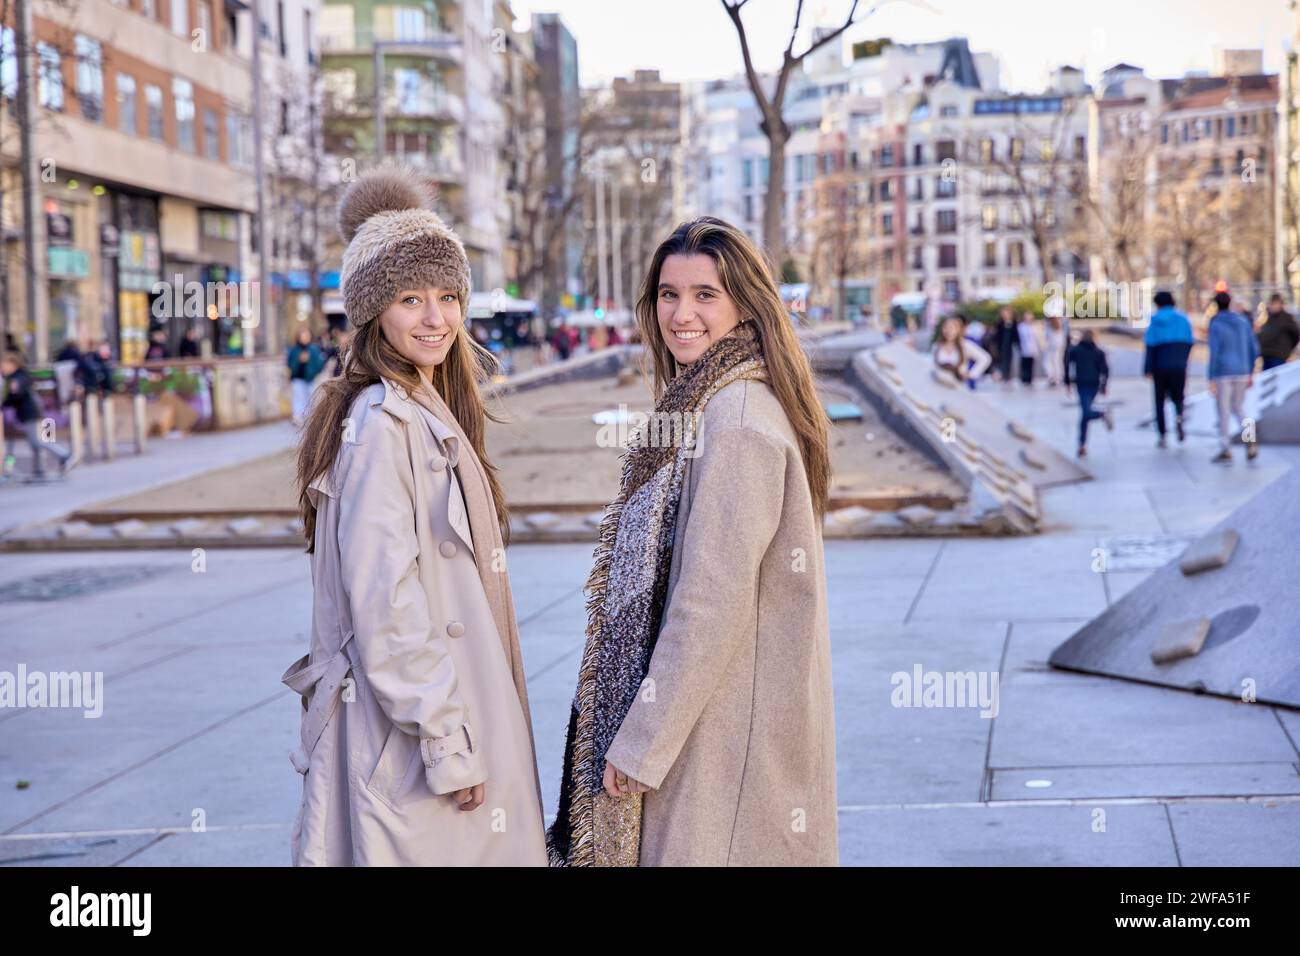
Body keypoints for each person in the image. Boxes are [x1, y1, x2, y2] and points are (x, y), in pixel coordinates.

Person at [548, 216, 837, 867]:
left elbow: (711, 599)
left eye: (705, 294)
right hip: (729, 724)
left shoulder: (733, 419)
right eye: (668, 294)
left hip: (723, 741)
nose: (682, 313)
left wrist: (643, 738)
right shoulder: (714, 403)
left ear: (744, 304)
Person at [285, 163, 546, 866]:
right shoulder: (379, 421)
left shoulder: (426, 406)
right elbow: (385, 603)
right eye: (409, 299)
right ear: (373, 313)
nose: (435, 318)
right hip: (421, 741)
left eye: (446, 297)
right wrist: (446, 739)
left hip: (446, 721)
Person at [2, 351, 75, 477]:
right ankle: (20, 469)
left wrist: (5, 401)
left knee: (36, 441)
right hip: (21, 415)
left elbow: (15, 394)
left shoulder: (17, 378)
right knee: (15, 443)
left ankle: (64, 455)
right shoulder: (16, 377)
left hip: (28, 414)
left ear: (12, 364)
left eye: (4, 364)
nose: (2, 367)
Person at [1207, 290, 1259, 463]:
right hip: (1243, 370)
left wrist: (1211, 377)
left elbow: (1214, 352)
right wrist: (1251, 370)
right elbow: (1253, 348)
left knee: (1223, 411)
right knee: (1239, 407)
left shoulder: (1216, 324)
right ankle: (1250, 439)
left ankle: (1225, 448)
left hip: (1223, 372)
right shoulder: (1243, 321)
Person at [1144, 290, 1194, 448]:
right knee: (1178, 397)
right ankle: (1179, 417)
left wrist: (1147, 369)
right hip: (1179, 365)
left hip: (1160, 366)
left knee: (1159, 401)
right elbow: (1189, 342)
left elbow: (1150, 346)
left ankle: (1162, 435)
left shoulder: (1155, 321)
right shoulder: (1183, 319)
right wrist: (1183, 361)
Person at [1064, 330, 1113, 458]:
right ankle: (1081, 445)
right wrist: (1103, 386)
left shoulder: (1076, 350)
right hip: (1093, 384)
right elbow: (1105, 370)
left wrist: (1068, 383)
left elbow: (1067, 365)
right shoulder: (1098, 352)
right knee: (1084, 415)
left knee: (1085, 413)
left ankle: (1102, 414)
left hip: (1083, 384)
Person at [934, 316, 991, 386]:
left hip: (957, 386)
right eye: (945, 327)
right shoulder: (937, 346)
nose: (948, 331)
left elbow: (985, 359)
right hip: (939, 385)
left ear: (958, 330)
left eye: (951, 328)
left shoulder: (965, 345)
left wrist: (971, 374)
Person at [285, 327, 324, 425]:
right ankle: (297, 417)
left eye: (306, 336)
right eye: (302, 336)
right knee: (298, 398)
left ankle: (309, 417)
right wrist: (299, 360)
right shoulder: (295, 349)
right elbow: (290, 363)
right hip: (298, 378)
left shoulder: (314, 349)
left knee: (310, 397)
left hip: (310, 378)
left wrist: (311, 366)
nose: (304, 338)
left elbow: (319, 363)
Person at [1256, 293, 1298, 371]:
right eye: (1272, 304)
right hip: (1267, 355)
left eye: (1275, 303)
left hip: (1279, 356)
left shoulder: (1286, 318)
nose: (1273, 306)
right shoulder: (1269, 318)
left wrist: (1287, 349)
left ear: (1281, 304)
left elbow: (1296, 335)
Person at [1016, 310, 1041, 386]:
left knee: (1031, 365)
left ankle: (1030, 379)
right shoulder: (1021, 326)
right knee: (1024, 364)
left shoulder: (1034, 327)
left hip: (1032, 349)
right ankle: (1024, 379)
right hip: (1024, 348)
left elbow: (1037, 338)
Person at [994, 306, 1017, 384]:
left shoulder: (1013, 322)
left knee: (1009, 361)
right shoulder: (1000, 323)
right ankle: (1003, 376)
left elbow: (1015, 335)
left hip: (1010, 346)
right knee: (1002, 361)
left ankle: (1008, 377)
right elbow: (997, 335)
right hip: (1001, 345)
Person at [1043, 314, 1067, 387]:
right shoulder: (1059, 324)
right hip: (1056, 346)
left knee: (1052, 362)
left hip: (1054, 346)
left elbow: (1048, 337)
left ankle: (1054, 378)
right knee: (1056, 362)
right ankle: (1056, 378)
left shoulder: (1053, 325)